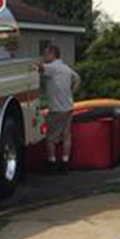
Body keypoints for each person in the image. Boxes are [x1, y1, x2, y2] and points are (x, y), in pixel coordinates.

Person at [40, 44, 80, 172]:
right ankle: (65, 162)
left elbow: (38, 68)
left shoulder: (52, 67)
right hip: (68, 106)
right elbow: (77, 79)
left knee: (50, 137)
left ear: (53, 54)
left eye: (46, 54)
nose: (44, 57)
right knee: (66, 135)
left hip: (56, 109)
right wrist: (71, 92)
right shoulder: (65, 68)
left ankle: (52, 163)